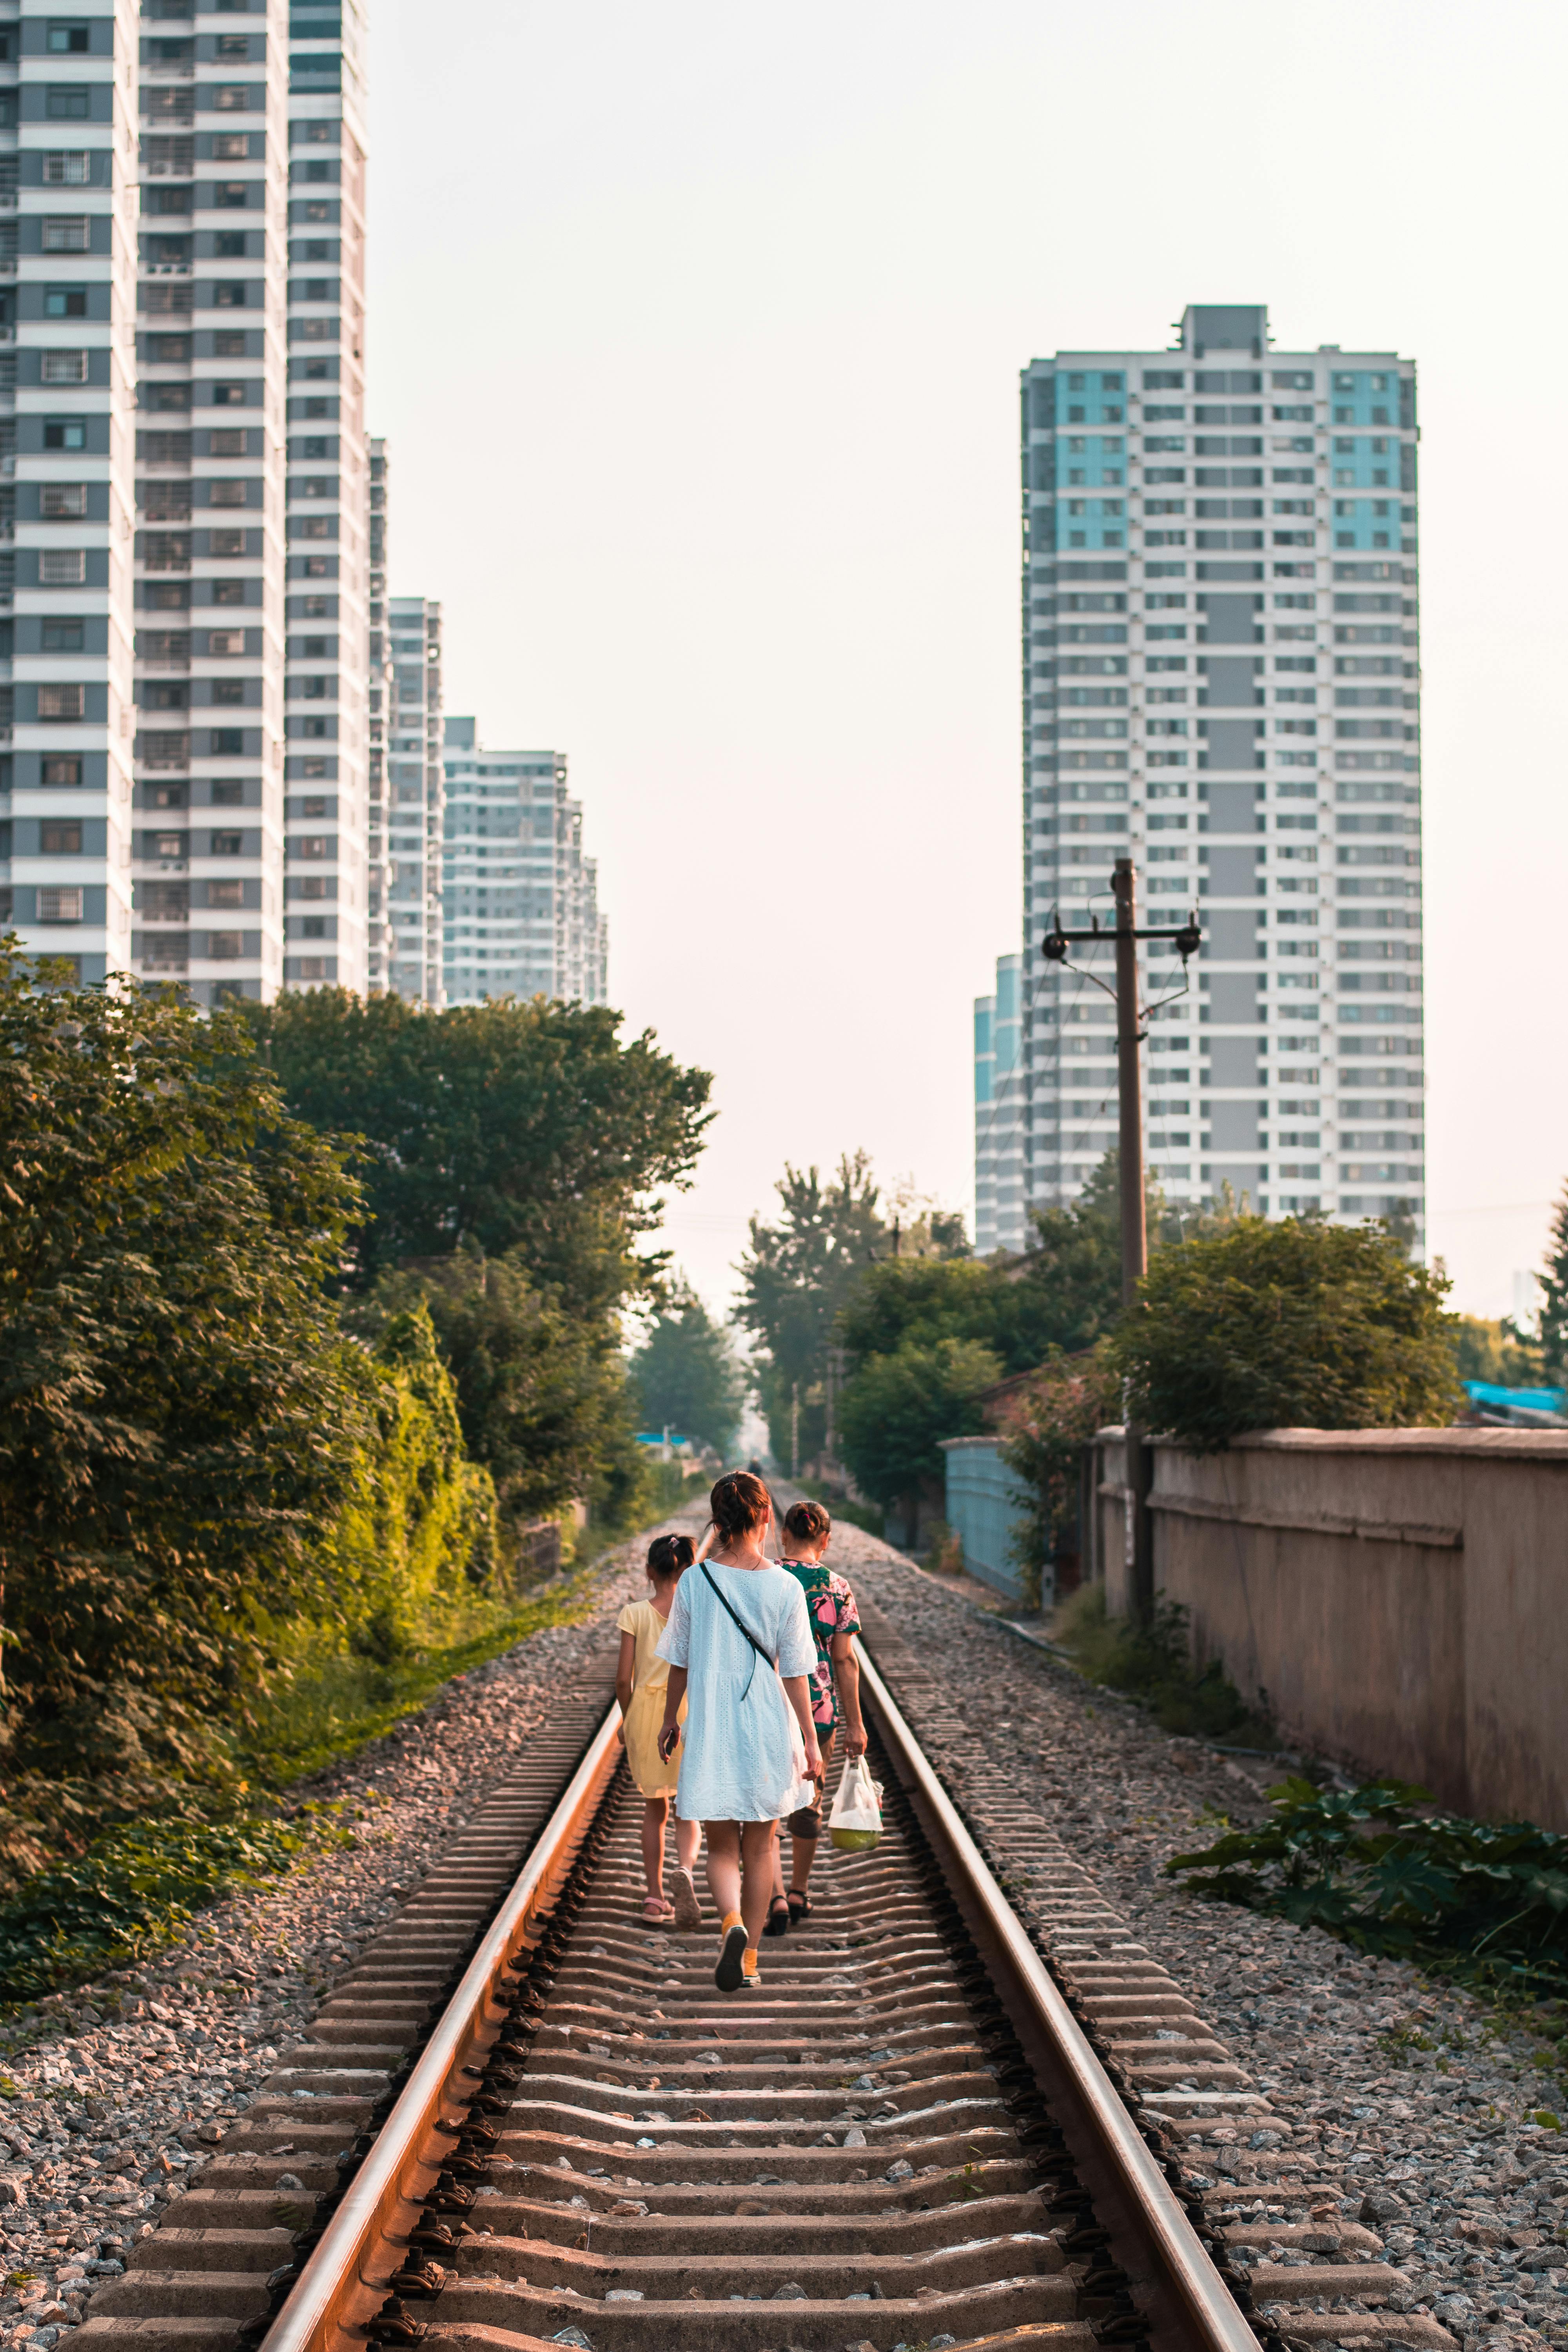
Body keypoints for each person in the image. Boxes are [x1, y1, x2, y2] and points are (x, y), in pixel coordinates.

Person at [655, 1471, 820, 1991]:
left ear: (717, 1521)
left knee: (721, 1848)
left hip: (714, 1727)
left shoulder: (695, 1582)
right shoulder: (785, 1586)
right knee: (762, 1850)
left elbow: (678, 1662)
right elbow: (796, 1672)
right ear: (767, 1516)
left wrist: (669, 1719)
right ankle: (749, 1957)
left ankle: (729, 1921)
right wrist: (812, 1742)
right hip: (769, 1726)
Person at [772, 1498, 867, 1929]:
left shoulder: (765, 1578)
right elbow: (845, 1661)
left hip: (767, 1705)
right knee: (808, 1803)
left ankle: (771, 1894)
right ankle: (798, 1892)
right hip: (819, 1711)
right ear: (825, 1541)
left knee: (765, 1804)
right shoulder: (837, 1586)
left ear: (784, 1536)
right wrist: (856, 1723)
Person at [615, 1533, 704, 1929]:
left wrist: (627, 1719)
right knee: (690, 1808)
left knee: (655, 1811)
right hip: (688, 1712)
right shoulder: (698, 1612)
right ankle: (684, 1869)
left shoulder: (634, 1613)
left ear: (650, 1571)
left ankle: (654, 1897)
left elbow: (622, 1680)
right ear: (688, 1570)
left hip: (648, 1714)